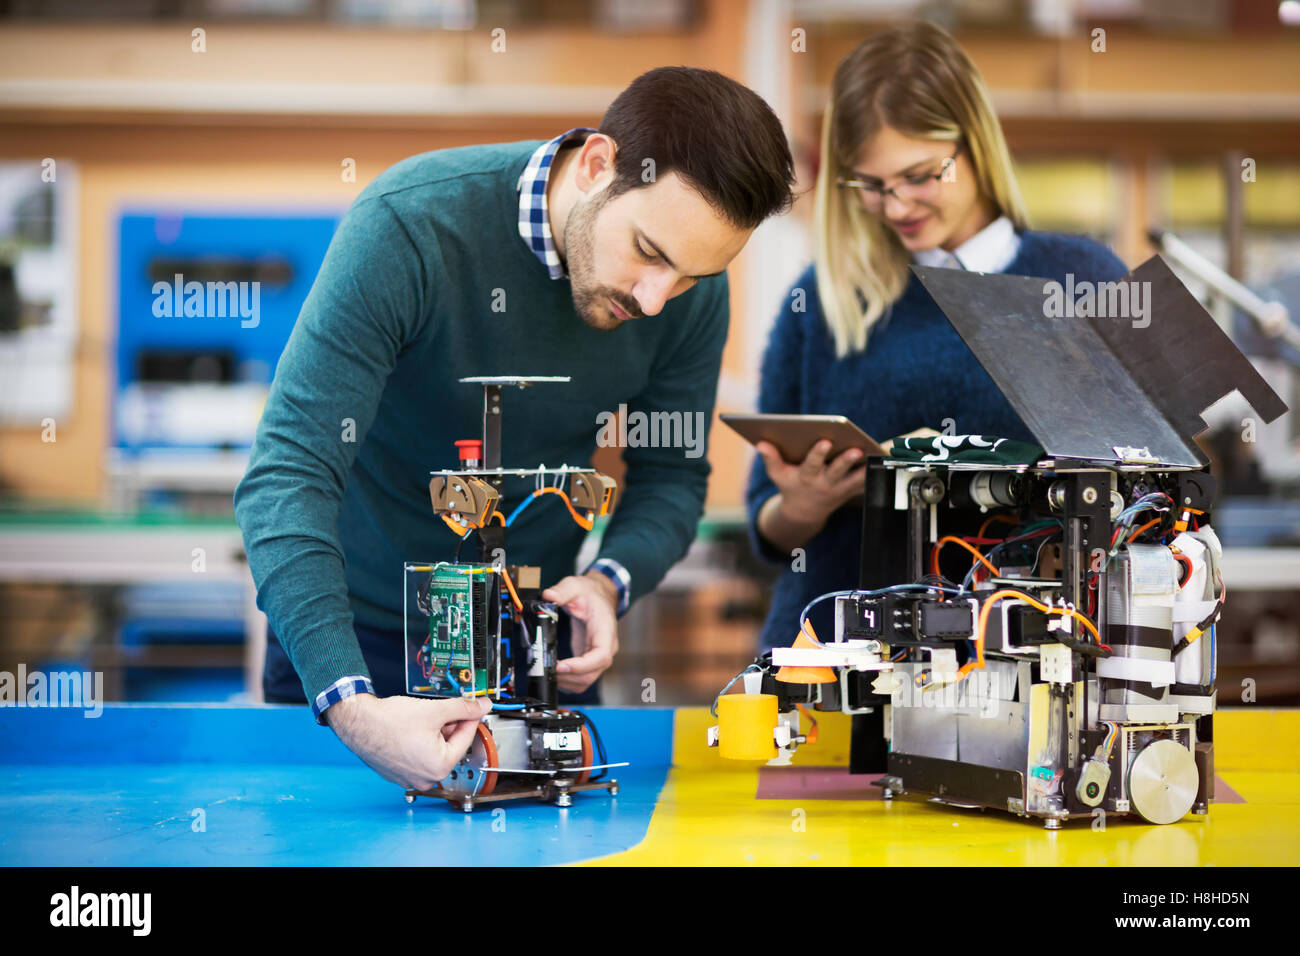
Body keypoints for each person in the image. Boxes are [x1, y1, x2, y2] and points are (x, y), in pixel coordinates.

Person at [234, 66, 794, 792]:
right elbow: (288, 473)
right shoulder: (410, 227)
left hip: (534, 651)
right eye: (651, 254)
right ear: (597, 165)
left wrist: (605, 582)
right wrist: (349, 704)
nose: (658, 301)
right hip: (352, 642)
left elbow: (671, 477)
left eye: (692, 277)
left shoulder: (686, 293)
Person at [746, 21, 1129, 651]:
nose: (897, 207)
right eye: (870, 185)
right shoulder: (823, 298)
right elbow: (770, 527)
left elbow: (1164, 482)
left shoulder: (1084, 279)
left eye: (921, 175)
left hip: (1038, 660)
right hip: (840, 659)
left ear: (976, 143)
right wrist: (803, 506)